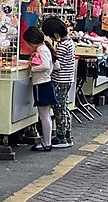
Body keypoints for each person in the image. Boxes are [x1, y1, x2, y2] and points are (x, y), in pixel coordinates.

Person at [41, 17, 76, 147]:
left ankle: (61, 137)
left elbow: (57, 65)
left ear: (55, 34)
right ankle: (66, 134)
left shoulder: (62, 45)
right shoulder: (70, 42)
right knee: (64, 107)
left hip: (60, 80)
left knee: (59, 108)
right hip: (67, 80)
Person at [25, 26, 56, 152]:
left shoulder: (41, 49)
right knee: (45, 115)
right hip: (46, 83)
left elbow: (45, 65)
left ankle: (47, 143)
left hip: (42, 84)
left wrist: (32, 68)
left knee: (44, 115)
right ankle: (47, 141)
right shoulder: (44, 48)